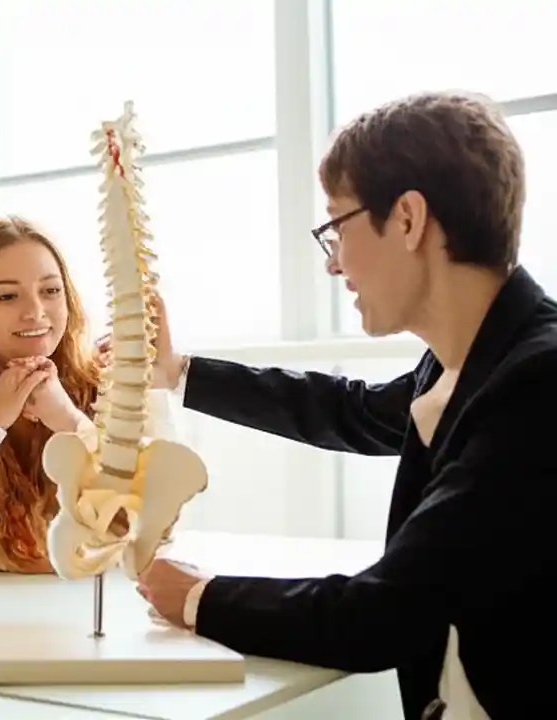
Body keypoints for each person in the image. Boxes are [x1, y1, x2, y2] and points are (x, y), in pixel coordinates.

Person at [136, 91, 553, 719]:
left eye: (337, 226)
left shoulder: (538, 385)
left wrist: (202, 598)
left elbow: (384, 614)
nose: (334, 264)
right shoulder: (465, 362)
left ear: (408, 219)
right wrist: (178, 372)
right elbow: (348, 410)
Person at [0, 215, 177, 582]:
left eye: (50, 290)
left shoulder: (120, 386)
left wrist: (67, 419)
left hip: (114, 608)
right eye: (7, 296)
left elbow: (156, 529)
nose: (35, 311)